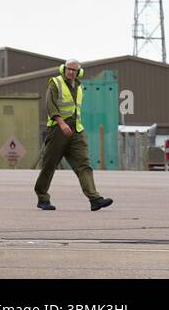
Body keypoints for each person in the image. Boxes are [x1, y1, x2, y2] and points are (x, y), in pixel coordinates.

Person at [33, 60, 112, 211]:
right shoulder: (55, 83)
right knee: (49, 166)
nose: (71, 72)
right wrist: (62, 124)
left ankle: (95, 199)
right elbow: (51, 106)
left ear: (79, 72)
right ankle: (42, 197)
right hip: (58, 130)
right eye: (68, 69)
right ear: (63, 69)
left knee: (84, 165)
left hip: (76, 131)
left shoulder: (80, 86)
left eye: (74, 70)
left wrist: (76, 128)